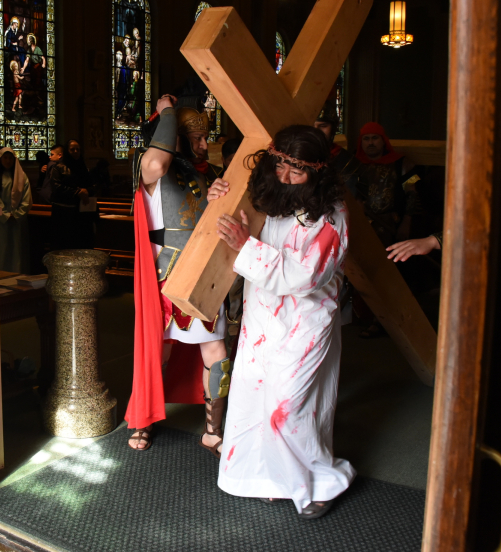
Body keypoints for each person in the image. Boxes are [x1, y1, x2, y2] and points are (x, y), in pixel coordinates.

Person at [209, 124, 354, 519]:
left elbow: (306, 277)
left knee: (289, 407)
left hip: (305, 322)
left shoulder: (332, 216)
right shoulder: (271, 192)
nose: (286, 177)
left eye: (297, 170)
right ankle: (269, 479)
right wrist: (217, 196)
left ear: (318, 172)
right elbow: (233, 215)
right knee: (254, 399)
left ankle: (320, 482)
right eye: (280, 166)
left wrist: (246, 246)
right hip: (262, 316)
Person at [125, 94, 229, 457]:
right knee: (158, 351)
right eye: (196, 138)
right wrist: (166, 112)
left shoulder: (212, 174)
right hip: (164, 277)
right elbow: (158, 160)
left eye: (206, 137)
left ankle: (214, 431)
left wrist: (220, 200)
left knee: (217, 352)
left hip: (205, 276)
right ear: (177, 137)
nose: (204, 144)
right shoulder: (150, 169)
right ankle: (145, 417)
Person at [0, 148, 31, 273]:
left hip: (16, 220)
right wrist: (4, 215)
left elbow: (26, 199)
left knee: (16, 250)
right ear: (0, 159)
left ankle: (16, 273)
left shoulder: (22, 177)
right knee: (1, 249)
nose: (8, 161)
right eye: (5, 158)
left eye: (10, 158)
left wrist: (17, 214)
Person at [49, 139, 95, 250]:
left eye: (78, 149)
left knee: (81, 244)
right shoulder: (58, 167)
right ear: (66, 151)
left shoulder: (82, 167)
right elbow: (56, 186)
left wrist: (87, 191)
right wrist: (77, 192)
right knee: (65, 245)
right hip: (63, 212)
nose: (75, 152)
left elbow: (92, 184)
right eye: (72, 149)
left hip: (81, 213)